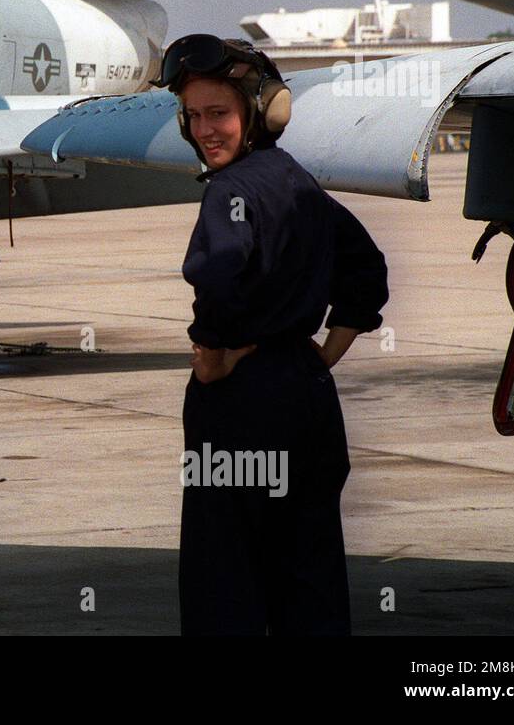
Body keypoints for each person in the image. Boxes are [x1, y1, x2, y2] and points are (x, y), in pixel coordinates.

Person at [156, 34, 389, 635]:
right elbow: (366, 269)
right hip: (307, 401)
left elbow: (216, 274)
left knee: (223, 585)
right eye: (195, 116)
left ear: (257, 114)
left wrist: (211, 354)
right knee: (310, 584)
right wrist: (323, 354)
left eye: (220, 114)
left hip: (241, 407)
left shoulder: (231, 192)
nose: (206, 130)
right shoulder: (298, 184)